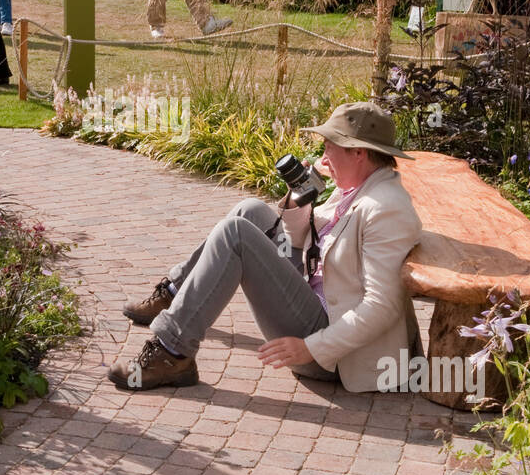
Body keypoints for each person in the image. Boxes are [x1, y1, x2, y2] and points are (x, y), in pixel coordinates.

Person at [111, 102, 423, 392]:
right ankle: (175, 294)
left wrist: (310, 348)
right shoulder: (358, 186)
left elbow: (382, 307)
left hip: (334, 351)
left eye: (330, 147)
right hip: (316, 294)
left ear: (359, 152)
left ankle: (171, 354)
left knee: (236, 235)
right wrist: (297, 197)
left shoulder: (385, 208)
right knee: (249, 211)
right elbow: (301, 240)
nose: (323, 158)